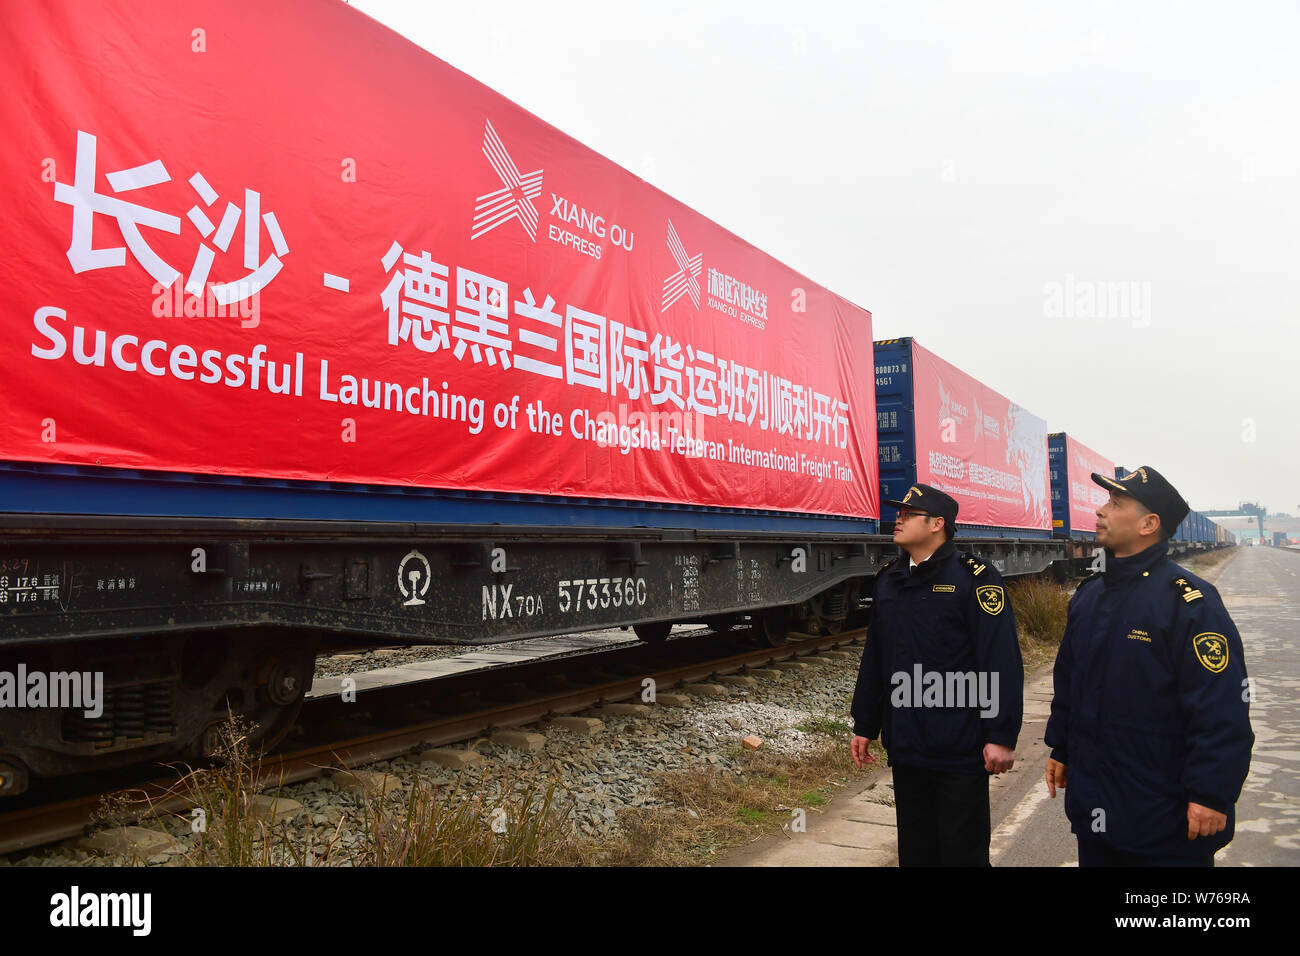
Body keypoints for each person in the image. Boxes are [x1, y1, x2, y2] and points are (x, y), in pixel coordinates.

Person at [1044, 466, 1254, 866]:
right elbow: (1069, 683)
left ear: (1149, 524)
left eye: (1115, 503)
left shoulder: (1190, 603)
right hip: (1096, 815)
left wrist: (1211, 794)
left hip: (1165, 822)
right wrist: (1062, 747)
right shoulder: (1089, 596)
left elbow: (1221, 709)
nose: (1101, 510)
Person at [850, 483, 1024, 866]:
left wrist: (1001, 734)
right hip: (908, 743)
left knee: (962, 853)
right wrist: (865, 722)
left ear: (937, 524)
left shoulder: (975, 578)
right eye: (899, 513)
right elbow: (877, 656)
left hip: (960, 745)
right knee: (915, 851)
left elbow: (1000, 659)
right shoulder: (889, 579)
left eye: (908, 514)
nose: (897, 519)